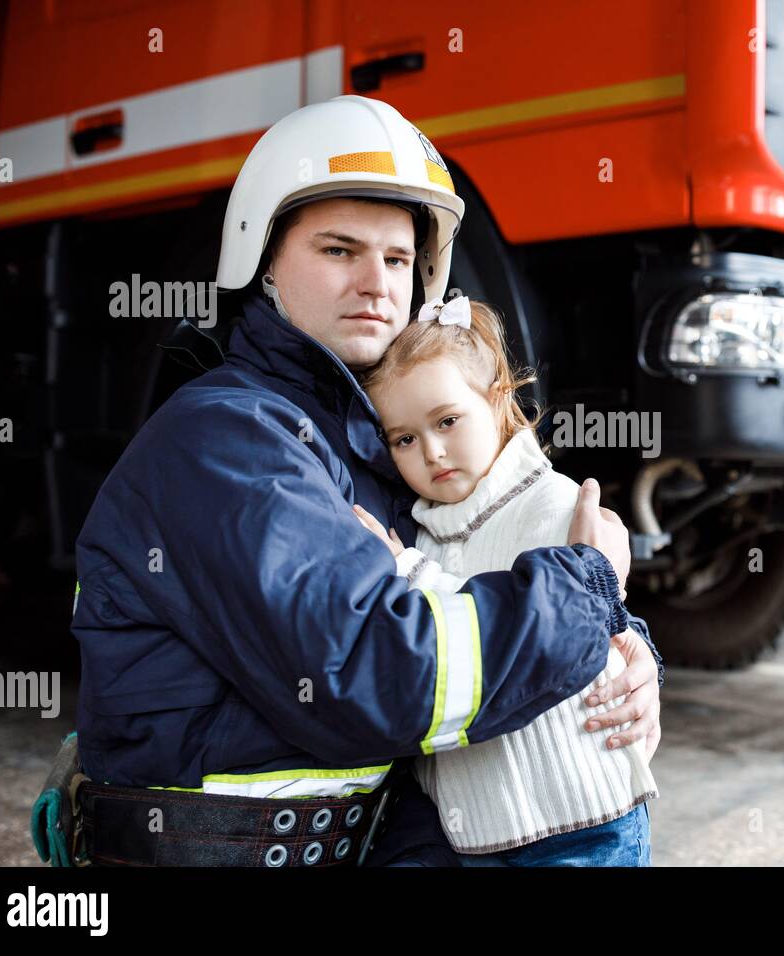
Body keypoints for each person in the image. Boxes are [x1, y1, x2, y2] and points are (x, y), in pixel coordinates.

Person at [62, 95, 662, 867]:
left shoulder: (376, 444)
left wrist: (621, 649)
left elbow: (479, 562)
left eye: (399, 259)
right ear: (263, 260)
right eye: (339, 251)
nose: (376, 283)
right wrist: (582, 595)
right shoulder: (228, 438)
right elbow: (379, 669)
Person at [351, 295, 659, 866]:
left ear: (496, 402)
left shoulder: (556, 504)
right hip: (476, 833)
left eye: (447, 421)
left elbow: (538, 622)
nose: (433, 452)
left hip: (581, 823)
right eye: (404, 439)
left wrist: (409, 574)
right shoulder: (423, 531)